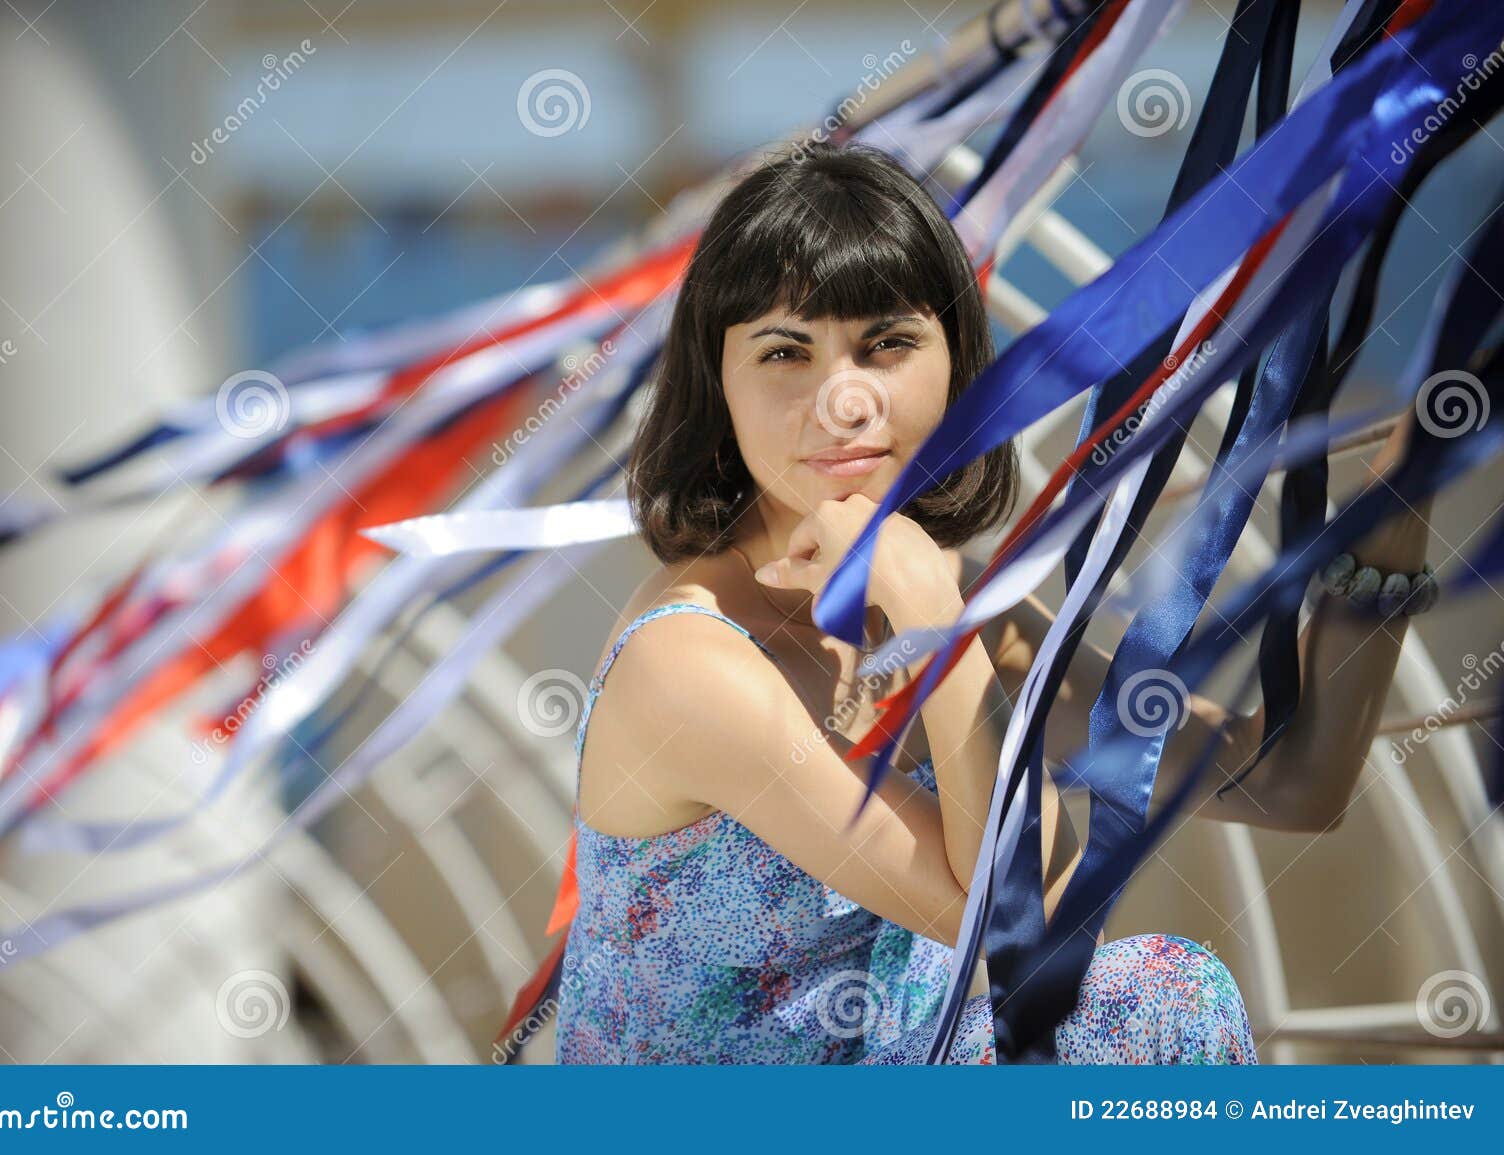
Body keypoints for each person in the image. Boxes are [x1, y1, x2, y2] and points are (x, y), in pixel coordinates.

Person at [551, 141, 1425, 1064]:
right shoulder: (693, 665)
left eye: (886, 344)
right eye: (785, 352)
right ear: (718, 387)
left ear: (955, 365)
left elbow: (1291, 781)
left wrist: (1407, 486)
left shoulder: (940, 604)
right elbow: (1026, 925)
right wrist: (939, 629)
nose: (843, 401)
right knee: (1154, 999)